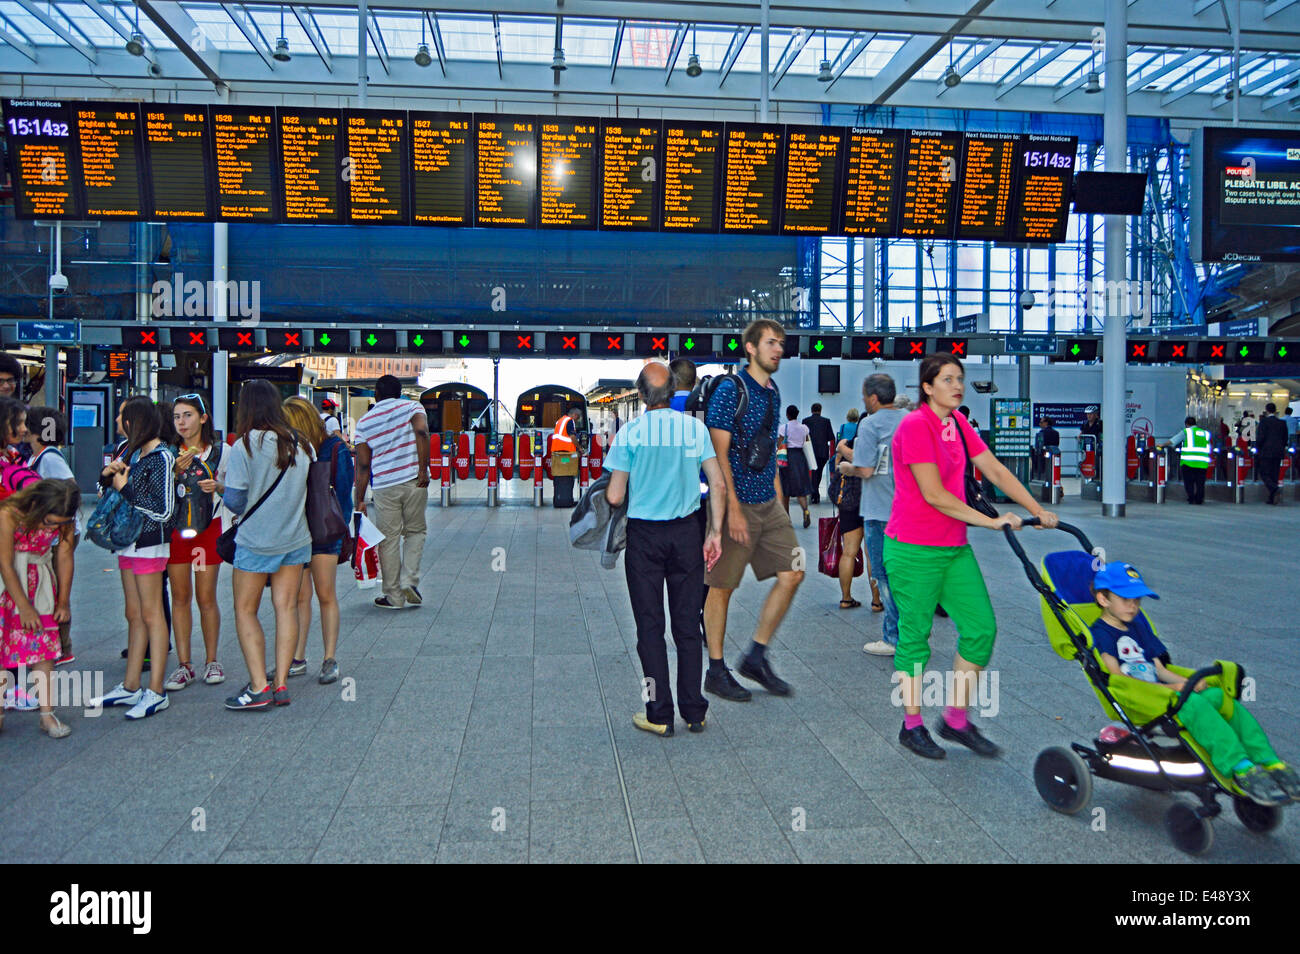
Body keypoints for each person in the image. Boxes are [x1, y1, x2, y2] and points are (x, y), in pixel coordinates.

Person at [884, 352, 1058, 760]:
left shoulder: (958, 424)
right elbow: (934, 495)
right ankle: (912, 725)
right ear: (927, 387)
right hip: (912, 549)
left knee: (981, 629)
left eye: (959, 378)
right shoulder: (915, 426)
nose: (957, 386)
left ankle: (956, 719)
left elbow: (994, 470)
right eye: (947, 379)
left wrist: (1036, 508)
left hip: (952, 549)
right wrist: (991, 521)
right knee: (915, 638)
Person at [1089, 562, 1299, 805]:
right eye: (1126, 599)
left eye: (1137, 600)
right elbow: (1120, 680)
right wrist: (1174, 690)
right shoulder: (1102, 633)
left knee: (1219, 697)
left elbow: (1159, 669)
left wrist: (1188, 682)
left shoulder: (1137, 627)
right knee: (1195, 707)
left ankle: (1267, 760)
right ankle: (1239, 766)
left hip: (1166, 695)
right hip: (1140, 698)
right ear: (1104, 599)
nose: (1134, 606)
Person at [604, 363, 725, 737]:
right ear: (673, 391)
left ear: (640, 395)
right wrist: (714, 533)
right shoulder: (694, 429)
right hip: (687, 534)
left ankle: (658, 713)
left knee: (650, 628)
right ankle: (694, 711)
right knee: (688, 626)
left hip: (645, 540)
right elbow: (717, 485)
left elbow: (615, 495)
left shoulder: (630, 434)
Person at [703, 319, 803, 700]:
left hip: (767, 502)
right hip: (735, 504)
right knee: (723, 587)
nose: (779, 349)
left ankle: (756, 656)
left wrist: (780, 503)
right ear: (751, 348)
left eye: (781, 343)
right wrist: (732, 510)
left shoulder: (773, 392)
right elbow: (718, 453)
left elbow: (769, 452)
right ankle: (715, 669)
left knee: (793, 572)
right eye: (771, 343)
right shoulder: (731, 390)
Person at [219, 380, 313, 710]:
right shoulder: (299, 444)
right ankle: (282, 682)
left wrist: (219, 488)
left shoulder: (245, 445)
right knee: (286, 608)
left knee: (245, 610)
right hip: (296, 538)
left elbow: (234, 499)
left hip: (256, 541)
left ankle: (259, 687)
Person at [90, 396, 176, 720]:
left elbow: (164, 509)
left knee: (152, 614)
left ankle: (156, 690)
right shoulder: (131, 452)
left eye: (122, 417)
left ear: (135, 422)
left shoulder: (161, 457)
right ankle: (130, 685)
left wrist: (125, 487)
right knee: (134, 613)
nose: (116, 422)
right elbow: (110, 493)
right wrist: (107, 476)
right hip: (128, 542)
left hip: (150, 543)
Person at [0, 480, 78, 737]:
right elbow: (5, 563)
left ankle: (47, 714)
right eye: (49, 522)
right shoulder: (9, 513)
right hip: (6, 582)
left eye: (59, 523)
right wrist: (23, 606)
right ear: (36, 506)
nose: (54, 527)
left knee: (44, 649)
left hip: (40, 581)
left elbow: (65, 555)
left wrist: (63, 601)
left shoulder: (64, 517)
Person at [161, 393, 227, 691]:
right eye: (177, 417)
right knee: (180, 596)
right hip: (176, 532)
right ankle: (184, 664)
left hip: (207, 530)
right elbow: (156, 492)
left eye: (187, 415)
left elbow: (237, 490)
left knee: (205, 597)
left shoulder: (221, 452)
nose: (181, 422)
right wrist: (172, 472)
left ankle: (212, 660)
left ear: (203, 418)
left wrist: (219, 486)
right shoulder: (167, 453)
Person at [839, 373, 907, 655]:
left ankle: (893, 638)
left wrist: (846, 466)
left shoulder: (871, 423)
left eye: (865, 396)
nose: (864, 401)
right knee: (906, 574)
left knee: (883, 573)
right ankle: (914, 632)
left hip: (879, 510)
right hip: (908, 510)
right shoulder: (910, 420)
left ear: (874, 398)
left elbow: (866, 469)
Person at [284, 397, 350, 684]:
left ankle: (329, 658)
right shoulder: (290, 450)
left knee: (325, 594)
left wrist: (340, 528)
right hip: (297, 531)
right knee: (299, 596)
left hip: (324, 531)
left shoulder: (334, 449)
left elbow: (344, 495)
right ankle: (297, 658)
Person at [353, 375, 430, 611]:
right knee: (415, 531)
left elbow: (363, 465)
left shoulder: (365, 422)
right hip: (414, 482)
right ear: (399, 392)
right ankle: (409, 580)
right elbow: (422, 432)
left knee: (389, 539)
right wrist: (422, 469)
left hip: (385, 486)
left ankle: (394, 596)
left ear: (376, 393)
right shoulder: (413, 407)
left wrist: (360, 499)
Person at [23, 407, 79, 666]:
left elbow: (69, 488)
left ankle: (61, 647)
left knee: (56, 591)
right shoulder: (39, 457)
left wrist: (55, 520)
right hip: (52, 535)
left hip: (57, 538)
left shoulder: (49, 458)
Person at [830, 436, 876, 612]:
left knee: (848, 552)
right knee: (872, 554)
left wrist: (841, 451)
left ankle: (845, 598)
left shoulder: (846, 446)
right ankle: (877, 601)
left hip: (849, 504)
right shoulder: (875, 447)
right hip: (872, 502)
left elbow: (836, 473)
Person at [777, 405, 811, 527]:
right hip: (800, 457)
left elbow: (779, 444)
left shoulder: (783, 428)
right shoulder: (804, 428)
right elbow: (806, 442)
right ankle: (806, 511)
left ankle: (787, 519)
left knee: (785, 489)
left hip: (787, 458)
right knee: (800, 488)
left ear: (787, 415)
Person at [1168, 416, 1212, 505]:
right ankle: (1199, 499)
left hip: (1188, 462)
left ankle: (1191, 498)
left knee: (1189, 482)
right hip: (1202, 463)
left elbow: (1173, 441)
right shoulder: (1205, 433)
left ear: (1186, 424)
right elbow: (1210, 446)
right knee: (1200, 483)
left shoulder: (1187, 432)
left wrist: (1161, 445)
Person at [549, 403, 582, 508]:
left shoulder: (560, 420)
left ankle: (559, 500)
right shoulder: (569, 421)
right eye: (578, 417)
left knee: (559, 477)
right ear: (575, 415)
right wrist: (580, 448)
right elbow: (572, 437)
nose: (577, 420)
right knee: (567, 476)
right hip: (566, 453)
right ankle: (567, 501)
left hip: (557, 453)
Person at [1255, 403, 1288, 505]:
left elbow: (1260, 437)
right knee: (1274, 474)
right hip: (1278, 452)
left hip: (1266, 452)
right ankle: (1272, 498)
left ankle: (1275, 488)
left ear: (1266, 410)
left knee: (1264, 473)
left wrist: (1258, 448)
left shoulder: (1264, 422)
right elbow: (1285, 438)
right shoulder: (1282, 423)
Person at [802, 403, 835, 505]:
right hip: (822, 452)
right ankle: (815, 493)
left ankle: (814, 493)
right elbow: (831, 437)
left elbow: (803, 436)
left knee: (814, 473)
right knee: (819, 472)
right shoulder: (826, 421)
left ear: (811, 410)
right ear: (820, 410)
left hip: (809, 451)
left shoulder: (805, 421)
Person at [1036, 417, 1061, 481]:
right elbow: (1057, 444)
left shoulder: (1041, 433)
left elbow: (1038, 446)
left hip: (1042, 458)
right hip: (1054, 457)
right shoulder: (1056, 433)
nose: (1039, 424)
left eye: (1041, 422)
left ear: (1046, 423)